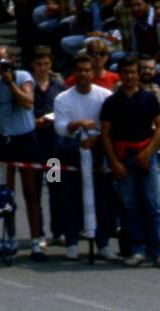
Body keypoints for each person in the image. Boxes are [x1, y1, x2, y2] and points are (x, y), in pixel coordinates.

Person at [0, 45, 43, 256]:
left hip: (25, 139)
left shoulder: (22, 76)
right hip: (4, 140)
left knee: (31, 192)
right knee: (6, 194)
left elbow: (28, 102)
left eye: (1, 60)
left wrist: (9, 81)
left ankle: (36, 241)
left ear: (11, 60)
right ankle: (10, 239)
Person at [101, 55, 160, 267]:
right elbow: (105, 134)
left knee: (153, 205)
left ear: (138, 75)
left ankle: (159, 252)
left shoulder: (148, 98)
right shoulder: (111, 102)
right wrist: (113, 162)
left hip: (145, 155)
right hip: (123, 157)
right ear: (120, 76)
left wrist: (148, 153)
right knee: (129, 206)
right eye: (126, 73)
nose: (130, 77)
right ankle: (137, 249)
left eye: (133, 72)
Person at [53, 52, 116, 261]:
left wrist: (94, 139)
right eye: (79, 70)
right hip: (71, 152)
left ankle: (103, 243)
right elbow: (60, 128)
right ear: (74, 73)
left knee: (102, 200)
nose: (83, 74)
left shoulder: (105, 96)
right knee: (70, 199)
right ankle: (71, 243)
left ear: (92, 72)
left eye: (87, 70)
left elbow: (108, 127)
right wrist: (79, 124)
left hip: (97, 153)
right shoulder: (63, 98)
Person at [30, 44, 66, 249]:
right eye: (38, 64)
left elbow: (62, 108)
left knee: (55, 189)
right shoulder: (28, 85)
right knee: (35, 192)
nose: (42, 67)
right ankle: (38, 233)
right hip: (35, 146)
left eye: (45, 63)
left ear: (50, 64)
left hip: (53, 147)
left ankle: (57, 231)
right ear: (33, 65)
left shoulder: (57, 84)